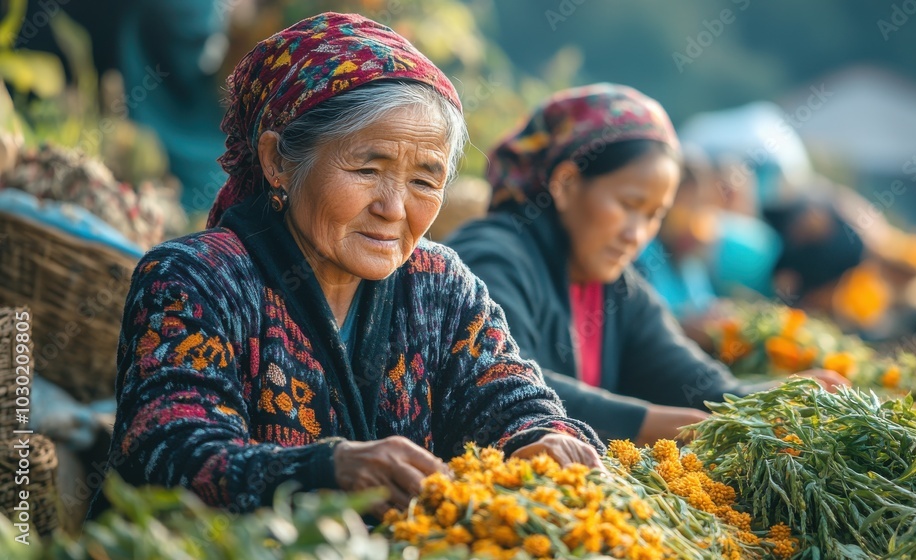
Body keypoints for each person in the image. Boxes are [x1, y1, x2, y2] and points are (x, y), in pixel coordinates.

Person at [93, 13, 602, 517]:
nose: (394, 209)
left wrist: (539, 438)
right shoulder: (194, 279)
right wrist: (326, 471)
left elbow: (506, 394)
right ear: (277, 161)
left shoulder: (440, 285)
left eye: (424, 181)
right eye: (367, 169)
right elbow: (171, 450)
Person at [447, 84, 847, 444]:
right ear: (566, 183)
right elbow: (506, 381)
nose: (637, 234)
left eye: (654, 215)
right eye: (628, 205)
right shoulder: (491, 256)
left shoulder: (618, 288)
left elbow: (700, 388)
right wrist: (648, 423)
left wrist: (780, 397)